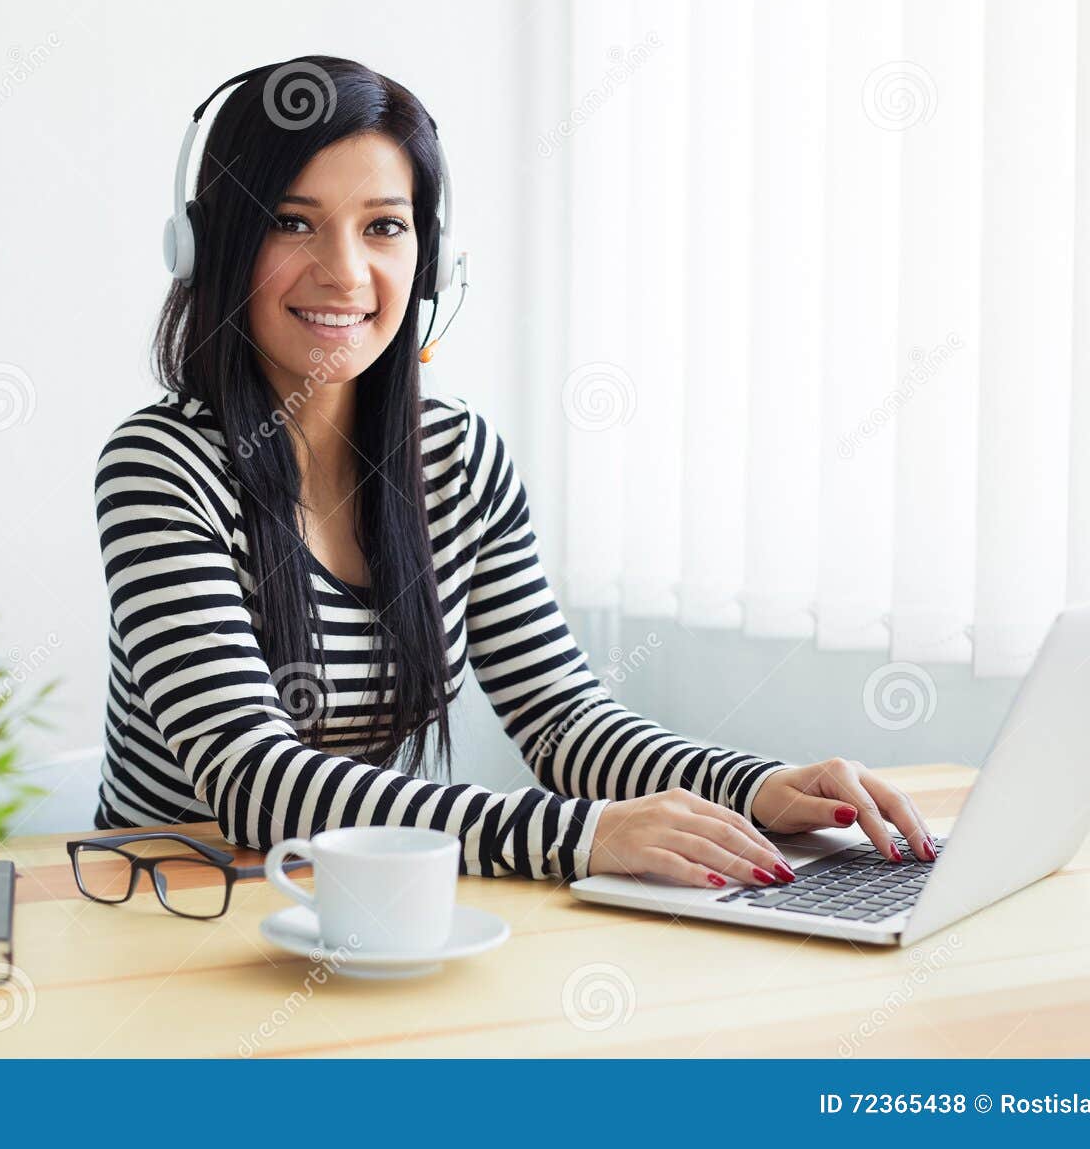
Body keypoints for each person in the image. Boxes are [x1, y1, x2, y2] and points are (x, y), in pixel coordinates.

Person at [94, 55, 936, 888]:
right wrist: (588, 834)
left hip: (369, 909)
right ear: (211, 245)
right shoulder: (160, 467)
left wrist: (753, 786)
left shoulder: (459, 457)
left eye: (384, 226)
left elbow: (563, 719)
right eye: (291, 220)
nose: (345, 271)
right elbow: (256, 783)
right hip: (175, 913)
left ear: (431, 258)